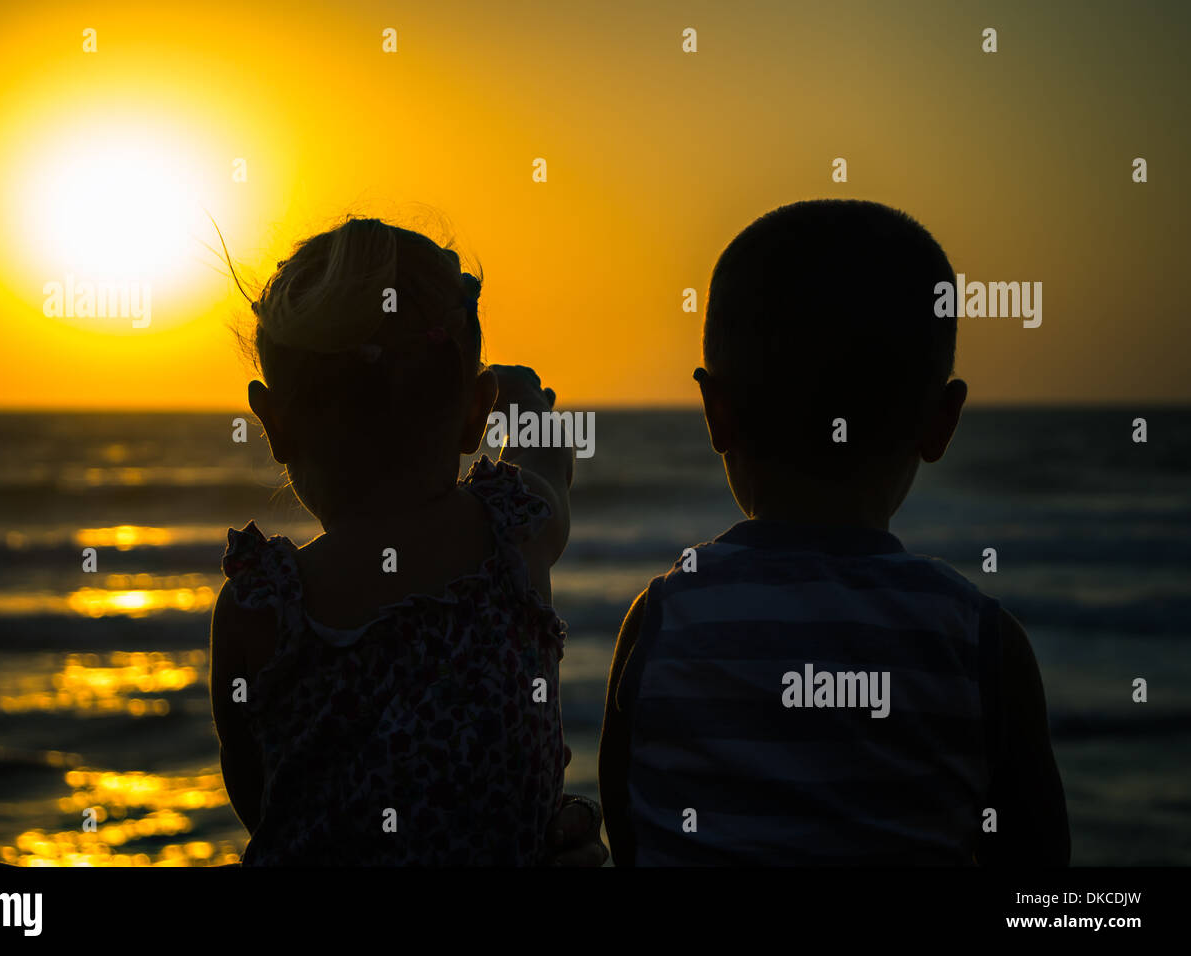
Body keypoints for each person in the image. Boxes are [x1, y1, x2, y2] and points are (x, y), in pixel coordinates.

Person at [598, 199, 1069, 866]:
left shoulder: (663, 620)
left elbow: (632, 840)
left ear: (716, 412)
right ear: (942, 420)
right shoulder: (982, 646)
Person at [212, 216, 603, 864]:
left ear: (274, 424)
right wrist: (526, 401)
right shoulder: (513, 531)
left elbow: (262, 801)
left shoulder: (259, 609)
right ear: (478, 411)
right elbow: (547, 458)